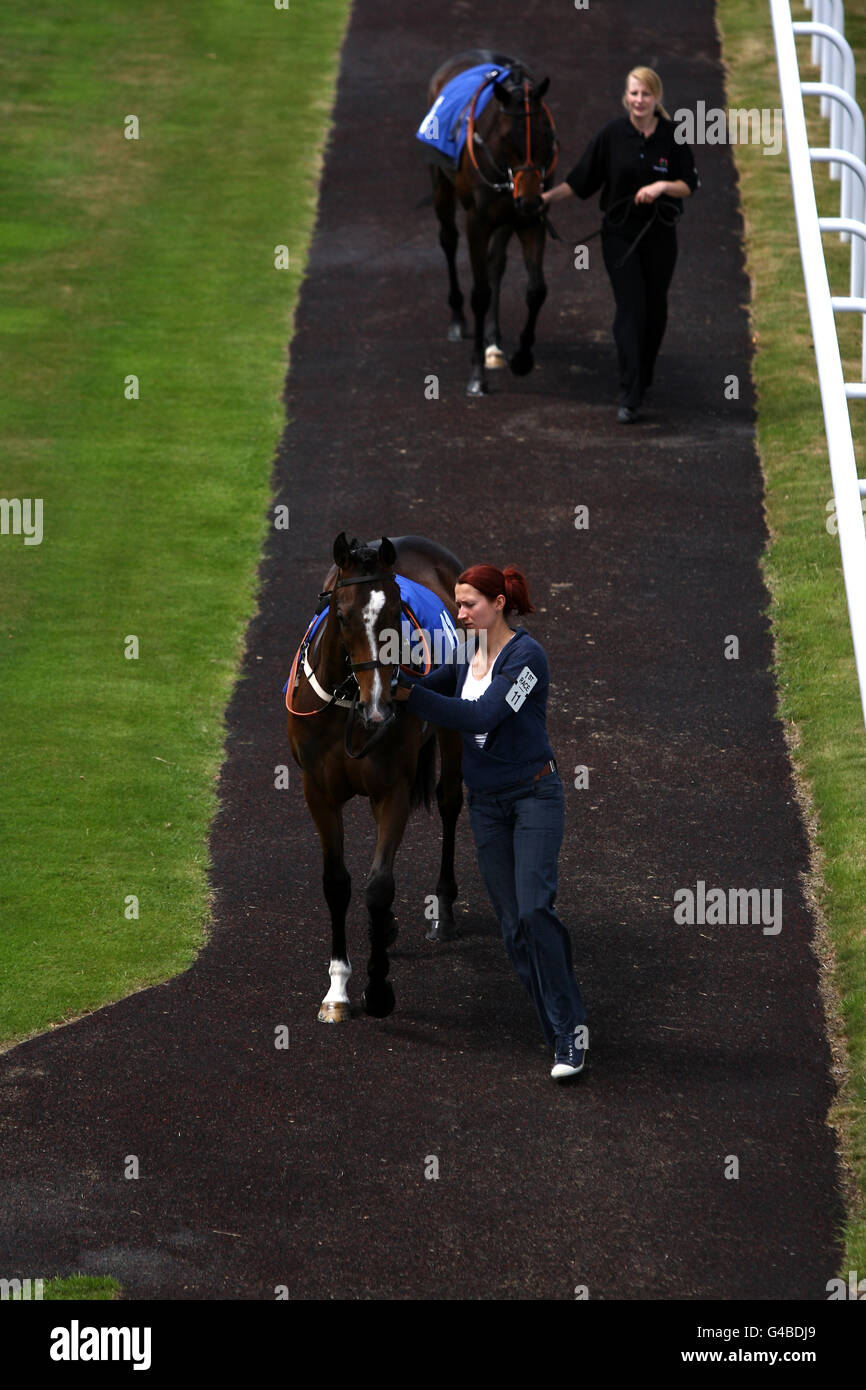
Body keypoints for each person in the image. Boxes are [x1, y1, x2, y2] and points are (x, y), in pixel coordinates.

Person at [394, 563, 587, 1081]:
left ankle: (569, 1032)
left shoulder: (528, 660)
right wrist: (387, 685)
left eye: (469, 604)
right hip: (486, 808)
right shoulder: (463, 655)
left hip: (534, 799)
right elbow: (423, 689)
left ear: (498, 603)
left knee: (534, 912)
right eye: (456, 605)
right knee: (511, 929)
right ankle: (558, 1021)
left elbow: (481, 716)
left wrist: (412, 696)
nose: (459, 614)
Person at [542, 66, 699, 422]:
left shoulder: (673, 136)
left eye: (645, 94)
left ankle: (643, 377)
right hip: (620, 237)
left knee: (655, 311)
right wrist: (546, 197)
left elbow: (689, 183)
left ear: (656, 97)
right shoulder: (611, 135)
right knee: (631, 309)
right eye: (634, 93)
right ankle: (628, 393)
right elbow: (581, 180)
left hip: (659, 236)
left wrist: (661, 187)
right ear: (625, 96)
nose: (639, 100)